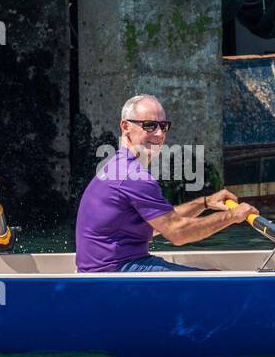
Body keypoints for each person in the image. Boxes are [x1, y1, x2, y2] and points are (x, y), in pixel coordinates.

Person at [75, 94, 256, 272]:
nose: (160, 133)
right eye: (150, 126)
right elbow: (178, 233)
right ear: (125, 126)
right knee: (216, 283)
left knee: (211, 277)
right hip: (117, 273)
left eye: (163, 126)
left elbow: (165, 219)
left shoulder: (115, 165)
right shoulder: (133, 176)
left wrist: (205, 203)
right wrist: (233, 216)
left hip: (105, 271)